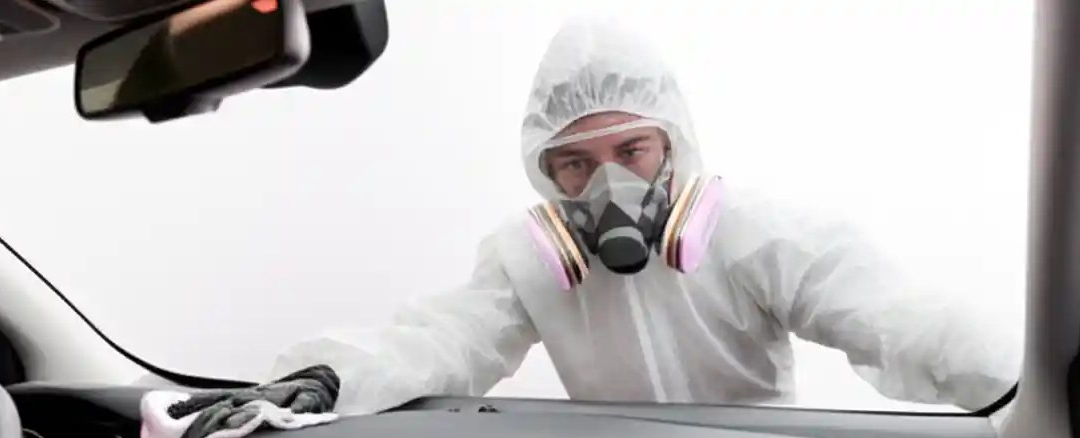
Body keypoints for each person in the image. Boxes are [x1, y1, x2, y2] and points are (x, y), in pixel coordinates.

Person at [267, 16, 1020, 417]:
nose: (607, 184)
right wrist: (329, 380)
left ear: (674, 144)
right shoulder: (529, 258)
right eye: (576, 163)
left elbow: (895, 319)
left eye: (630, 150)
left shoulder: (756, 233)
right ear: (547, 174)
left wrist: (1031, 401)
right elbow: (444, 340)